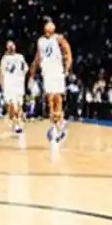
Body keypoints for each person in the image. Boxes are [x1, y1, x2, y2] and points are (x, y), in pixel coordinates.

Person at [28, 18, 73, 148]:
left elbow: (68, 52)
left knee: (57, 99)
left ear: (53, 28)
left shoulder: (59, 38)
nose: (48, 30)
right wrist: (32, 74)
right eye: (46, 28)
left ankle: (59, 126)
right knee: (50, 102)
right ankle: (56, 127)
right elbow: (37, 58)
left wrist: (67, 68)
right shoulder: (40, 41)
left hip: (57, 72)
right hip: (47, 74)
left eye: (50, 28)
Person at [0, 40, 28, 134]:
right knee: (11, 106)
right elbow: (1, 72)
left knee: (18, 106)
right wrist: (2, 84)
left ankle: (18, 123)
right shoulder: (4, 58)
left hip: (18, 84)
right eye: (9, 46)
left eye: (12, 45)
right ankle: (14, 121)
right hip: (9, 85)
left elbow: (25, 69)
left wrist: (21, 77)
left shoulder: (20, 57)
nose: (11, 47)